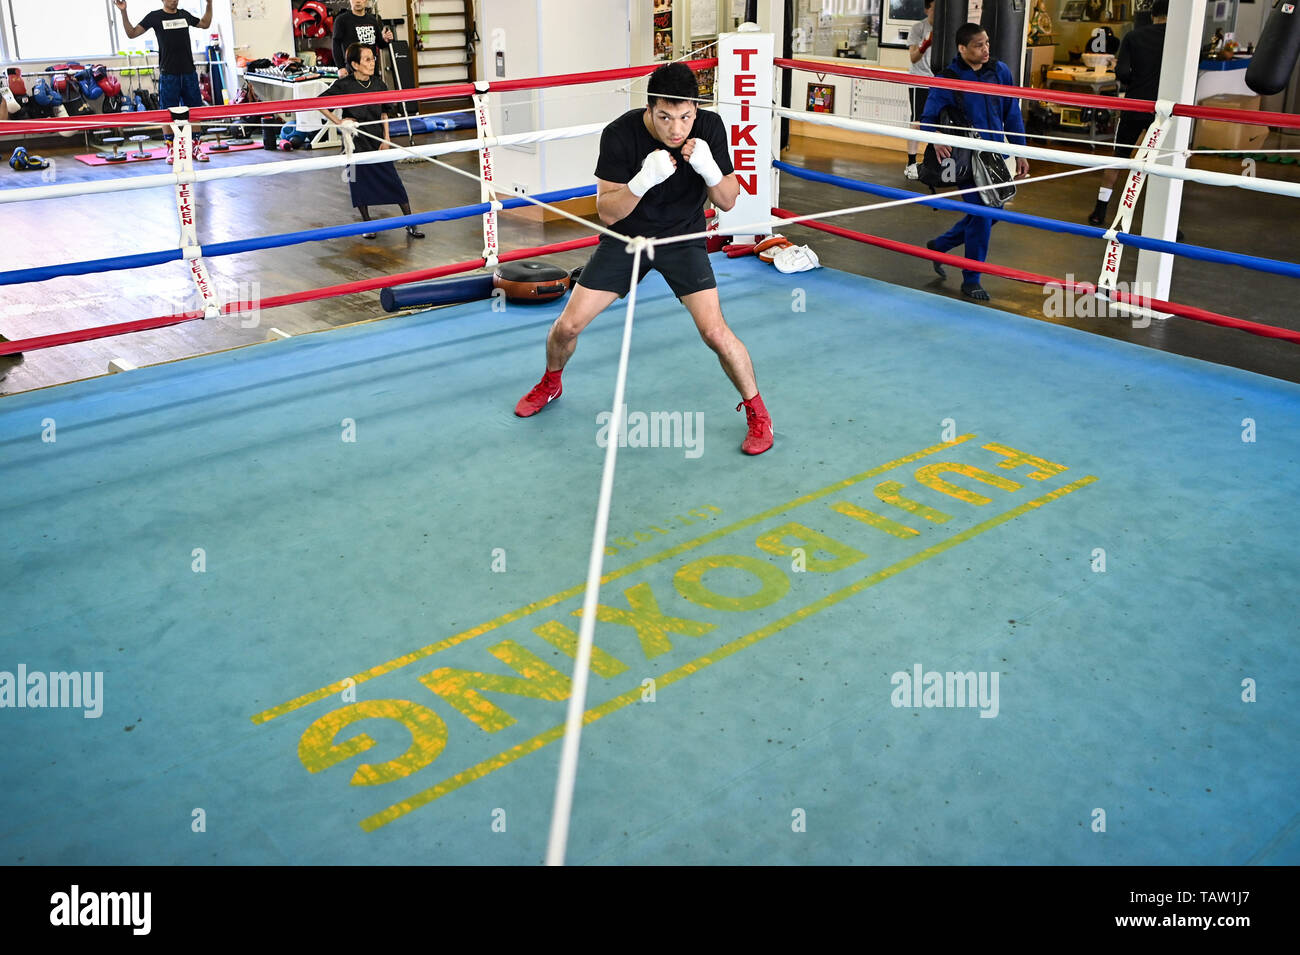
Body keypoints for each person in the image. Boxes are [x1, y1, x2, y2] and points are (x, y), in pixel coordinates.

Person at [513, 62, 773, 456]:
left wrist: (709, 170)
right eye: (666, 117)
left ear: (695, 109)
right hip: (627, 239)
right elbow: (607, 211)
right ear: (649, 109)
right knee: (567, 326)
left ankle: (759, 413)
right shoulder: (620, 134)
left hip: (683, 238)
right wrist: (641, 181)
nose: (676, 129)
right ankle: (552, 381)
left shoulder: (710, 128)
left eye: (686, 116)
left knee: (715, 333)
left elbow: (728, 200)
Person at [921, 22, 1029, 302]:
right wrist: (935, 138)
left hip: (994, 159)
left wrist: (1021, 151)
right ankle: (972, 279)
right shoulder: (949, 77)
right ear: (962, 48)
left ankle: (940, 245)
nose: (986, 49)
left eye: (987, 44)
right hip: (966, 160)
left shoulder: (999, 71)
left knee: (992, 212)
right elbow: (928, 118)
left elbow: (1012, 113)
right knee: (982, 216)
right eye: (979, 45)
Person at [320, 44, 424, 240]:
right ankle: (367, 224)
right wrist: (340, 122)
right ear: (355, 64)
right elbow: (320, 104)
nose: (372, 62)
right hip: (356, 142)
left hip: (377, 141)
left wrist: (387, 139)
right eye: (367, 59)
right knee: (359, 185)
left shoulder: (378, 83)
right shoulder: (344, 85)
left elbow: (384, 112)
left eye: (373, 58)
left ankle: (410, 222)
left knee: (394, 183)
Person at [1088, 0, 1167, 226]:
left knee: (1120, 158)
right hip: (1164, 109)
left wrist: (1139, 83)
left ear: (1153, 14)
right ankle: (1165, 223)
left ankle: (1099, 211)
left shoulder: (1134, 36)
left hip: (1135, 104)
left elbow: (1122, 72)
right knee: (1162, 163)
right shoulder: (1180, 40)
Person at [114, 0, 211, 110]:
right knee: (168, 114)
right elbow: (132, 33)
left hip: (189, 73)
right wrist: (123, 11)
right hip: (169, 75)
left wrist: (209, 4)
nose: (174, 0)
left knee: (194, 113)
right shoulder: (155, 16)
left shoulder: (184, 15)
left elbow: (205, 24)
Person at [904, 0, 936, 180]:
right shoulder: (918, 28)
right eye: (934, 8)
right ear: (927, 9)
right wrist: (926, 44)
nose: (938, 12)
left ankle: (934, 161)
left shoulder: (949, 28)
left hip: (940, 81)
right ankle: (910, 163)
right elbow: (914, 58)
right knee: (917, 121)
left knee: (940, 122)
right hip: (920, 80)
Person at [333, 0, 395, 80]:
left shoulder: (372, 20)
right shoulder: (341, 20)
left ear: (366, 1)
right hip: (352, 71)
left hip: (372, 70)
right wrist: (340, 67)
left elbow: (380, 44)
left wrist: (386, 40)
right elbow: (336, 44)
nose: (358, 1)